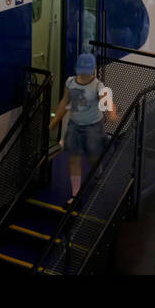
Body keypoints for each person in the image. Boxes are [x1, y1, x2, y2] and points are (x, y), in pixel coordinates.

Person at [51, 52, 118, 202]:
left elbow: (107, 101)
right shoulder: (70, 82)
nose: (86, 77)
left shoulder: (98, 85)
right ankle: (76, 193)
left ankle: (98, 169)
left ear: (93, 71)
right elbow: (64, 102)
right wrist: (56, 120)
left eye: (88, 73)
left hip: (93, 127)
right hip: (74, 126)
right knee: (74, 159)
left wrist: (112, 113)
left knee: (93, 157)